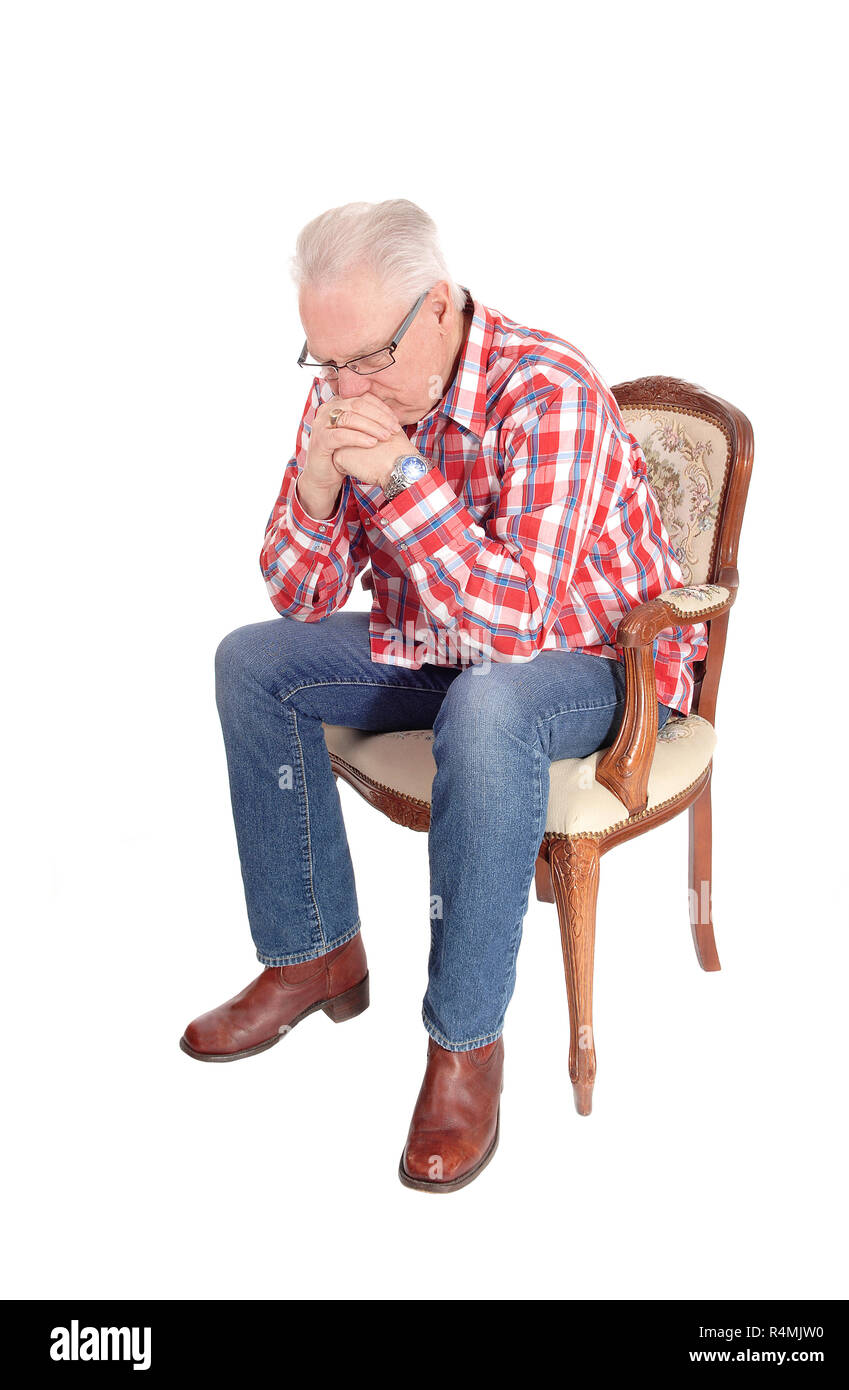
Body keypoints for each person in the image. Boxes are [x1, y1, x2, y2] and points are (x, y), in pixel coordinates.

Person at [180, 199, 707, 1192]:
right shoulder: (352, 379)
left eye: (363, 361)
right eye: (321, 363)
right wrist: (315, 489)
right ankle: (313, 955)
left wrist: (403, 475)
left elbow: (515, 628)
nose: (342, 388)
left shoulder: (546, 390)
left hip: (589, 660)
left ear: (434, 309)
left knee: (490, 704)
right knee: (251, 662)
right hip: (438, 642)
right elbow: (298, 599)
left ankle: (465, 1048)